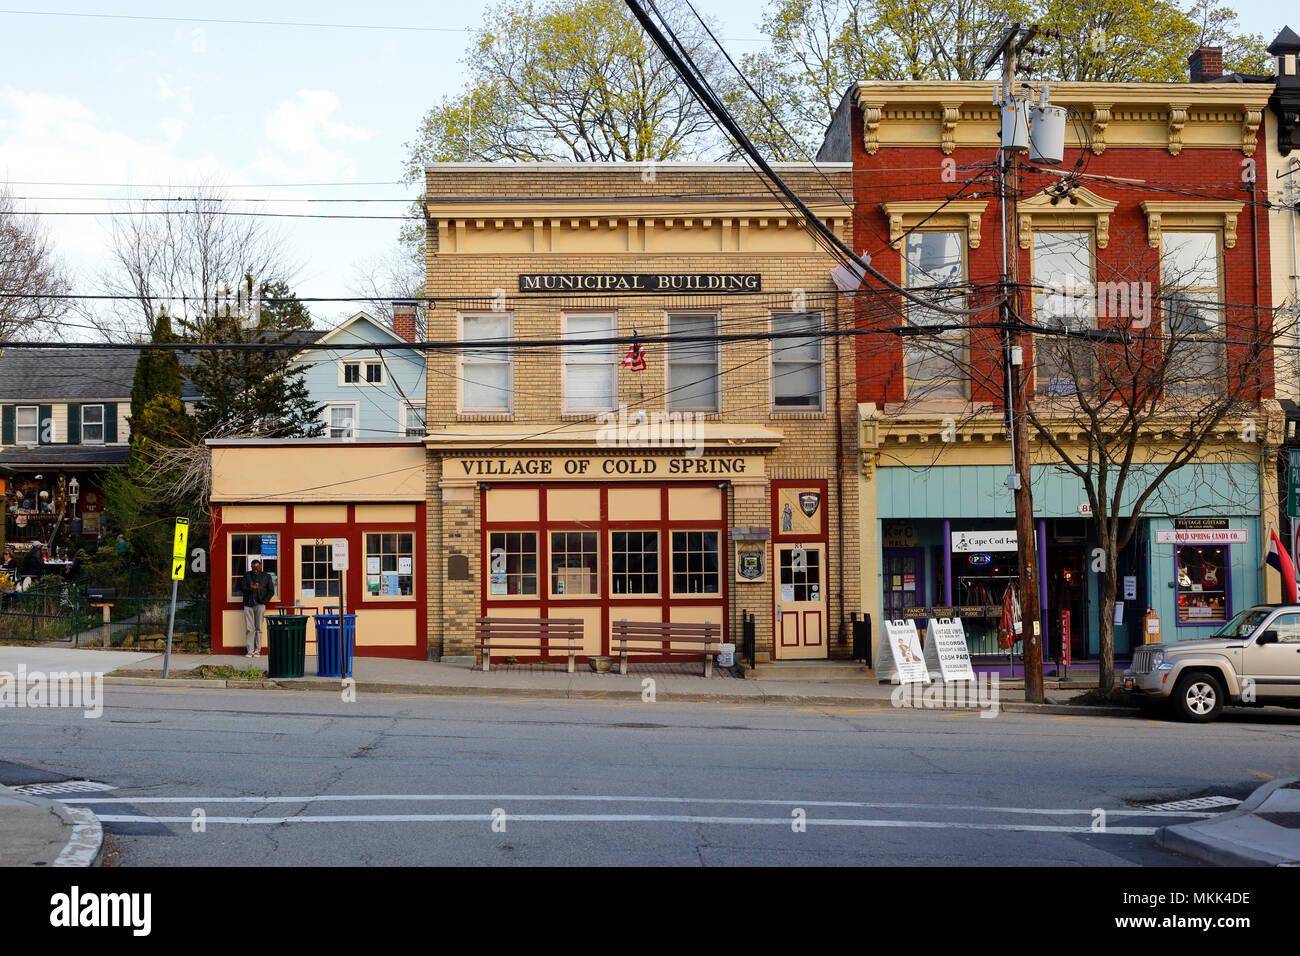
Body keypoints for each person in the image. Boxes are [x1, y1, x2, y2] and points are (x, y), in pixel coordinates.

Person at [240, 559, 275, 657]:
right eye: (253, 568)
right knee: (249, 629)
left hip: (260, 604)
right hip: (248, 604)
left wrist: (265, 601)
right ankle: (250, 651)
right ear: (251, 567)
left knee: (259, 628)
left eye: (257, 568)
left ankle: (257, 650)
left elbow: (271, 591)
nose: (255, 570)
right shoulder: (247, 575)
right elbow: (242, 588)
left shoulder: (266, 576)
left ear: (260, 567)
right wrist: (250, 588)